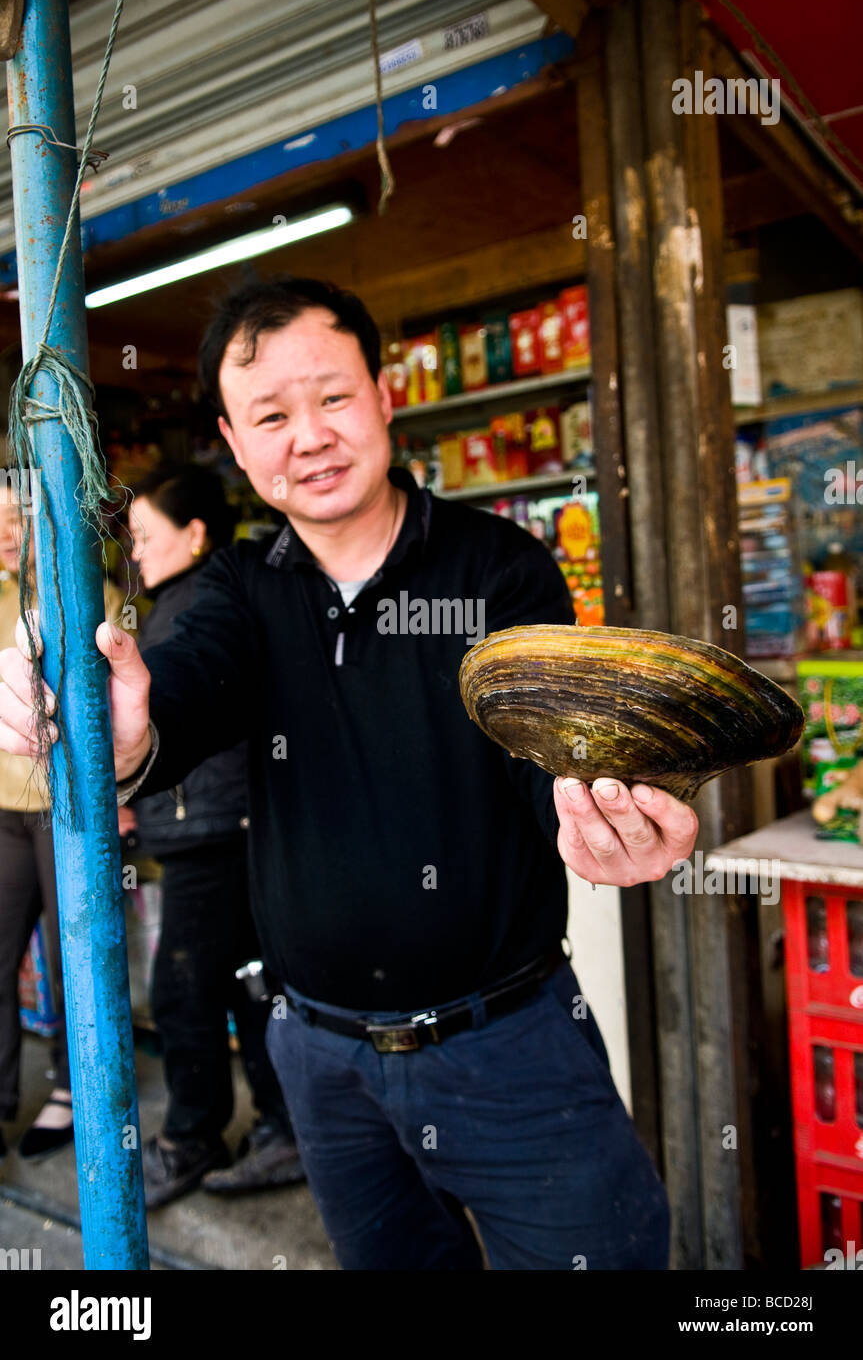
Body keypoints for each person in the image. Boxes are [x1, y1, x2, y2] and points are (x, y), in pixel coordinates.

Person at [0, 277, 699, 1269]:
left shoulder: (498, 570)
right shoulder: (242, 587)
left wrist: (593, 814)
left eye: (331, 397)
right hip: (321, 1065)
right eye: (271, 415)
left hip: (509, 1045)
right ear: (236, 444)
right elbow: (181, 694)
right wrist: (122, 732)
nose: (308, 435)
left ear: (383, 395)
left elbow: (544, 752)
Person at [125, 463, 302, 1206]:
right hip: (215, 826)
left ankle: (193, 1138)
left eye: (142, 537)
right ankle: (279, 1131)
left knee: (185, 992)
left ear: (195, 534)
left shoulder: (202, 604)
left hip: (215, 829)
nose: (132, 554)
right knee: (248, 984)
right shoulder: (178, 601)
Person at [0, 480, 123, 1161]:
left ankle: (72, 1095)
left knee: (79, 954)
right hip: (2, 808)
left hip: (69, 806)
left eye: (19, 519)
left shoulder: (93, 597)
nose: (8, 534)